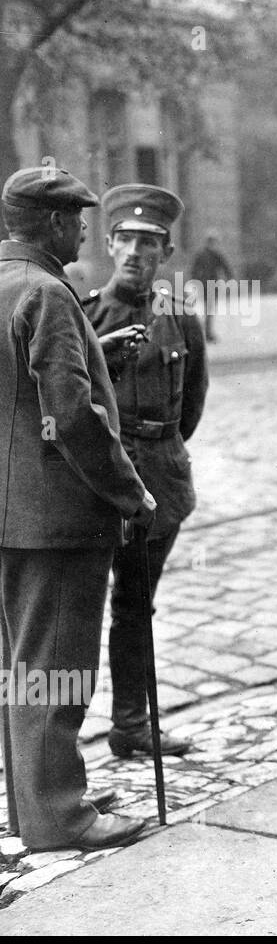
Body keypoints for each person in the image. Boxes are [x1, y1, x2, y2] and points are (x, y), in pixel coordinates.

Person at [1, 167, 155, 851]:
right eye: (78, 218)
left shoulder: (9, 283)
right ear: (55, 223)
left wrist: (95, 350)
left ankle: (33, 801)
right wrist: (130, 492)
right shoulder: (48, 292)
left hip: (10, 514)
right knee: (56, 669)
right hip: (58, 519)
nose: (86, 229)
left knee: (23, 666)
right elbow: (70, 416)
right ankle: (59, 816)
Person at [82, 185, 208, 759]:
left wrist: (159, 450)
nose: (135, 252)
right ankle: (58, 746)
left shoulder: (179, 317)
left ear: (166, 252)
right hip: (98, 485)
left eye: (148, 243)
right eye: (126, 240)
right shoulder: (84, 315)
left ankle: (132, 725)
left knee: (136, 604)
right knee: (78, 610)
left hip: (160, 479)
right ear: (109, 244)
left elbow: (192, 404)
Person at [189, 232, 232, 343]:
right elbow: (194, 270)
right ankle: (207, 333)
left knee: (208, 309)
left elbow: (225, 268)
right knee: (208, 309)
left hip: (208, 285)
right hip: (207, 285)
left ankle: (206, 331)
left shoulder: (211, 255)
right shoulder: (211, 255)